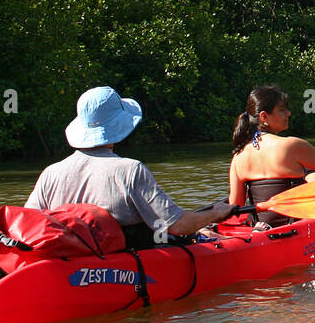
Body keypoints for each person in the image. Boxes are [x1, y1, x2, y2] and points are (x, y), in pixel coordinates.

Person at [26, 86, 233, 249]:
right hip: (124, 264)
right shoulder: (130, 170)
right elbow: (177, 226)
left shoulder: (50, 173)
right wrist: (216, 213)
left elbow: (28, 227)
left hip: (69, 263)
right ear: (118, 125)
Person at [228, 86, 315, 229]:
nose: (289, 113)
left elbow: (236, 207)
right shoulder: (291, 145)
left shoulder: (238, 156)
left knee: (312, 174)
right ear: (264, 116)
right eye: (282, 110)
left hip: (261, 228)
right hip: (297, 227)